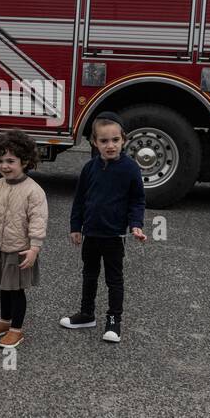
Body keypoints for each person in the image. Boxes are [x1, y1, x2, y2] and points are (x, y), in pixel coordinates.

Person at [60, 112, 146, 342]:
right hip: (91, 234)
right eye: (104, 141)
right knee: (89, 275)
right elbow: (79, 200)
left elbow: (137, 200)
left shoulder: (130, 169)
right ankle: (87, 313)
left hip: (114, 236)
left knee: (114, 279)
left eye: (115, 140)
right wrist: (75, 226)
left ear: (124, 140)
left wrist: (136, 225)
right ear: (94, 143)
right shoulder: (89, 169)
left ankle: (113, 321)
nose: (110, 145)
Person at [0, 130, 48, 349]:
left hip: (19, 250)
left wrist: (34, 248)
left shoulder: (34, 191)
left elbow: (38, 221)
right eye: (0, 161)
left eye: (11, 161)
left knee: (16, 290)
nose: (4, 166)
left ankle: (16, 330)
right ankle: (4, 322)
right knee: (4, 288)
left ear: (25, 161)